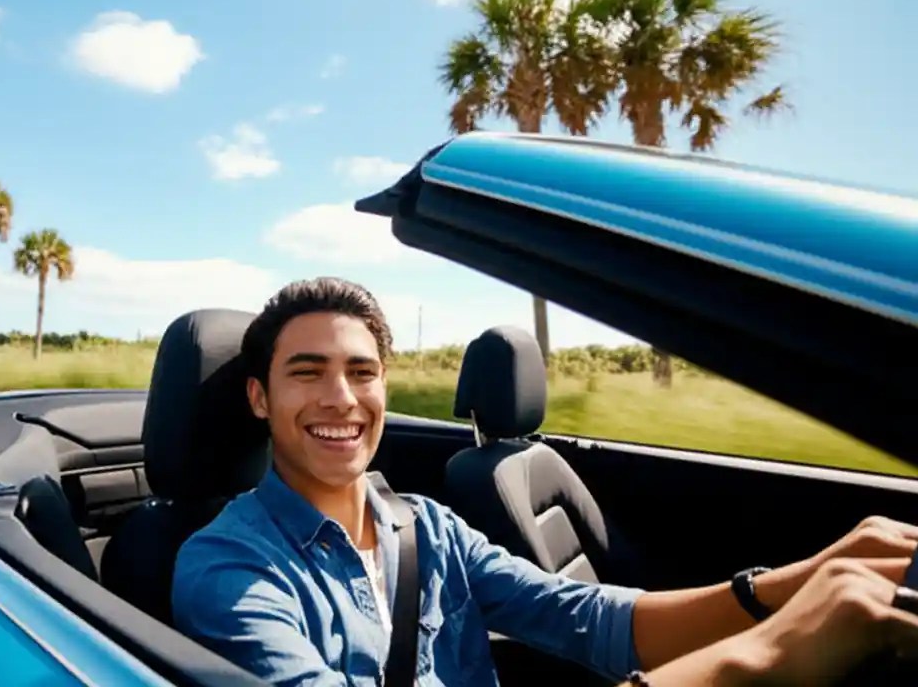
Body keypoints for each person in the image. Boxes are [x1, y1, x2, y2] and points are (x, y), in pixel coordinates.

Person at [170, 276, 918, 686]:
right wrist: (763, 657)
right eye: (308, 374)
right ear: (259, 399)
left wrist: (794, 582)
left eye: (361, 373)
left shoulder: (424, 525)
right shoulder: (228, 568)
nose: (341, 398)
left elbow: (585, 617)